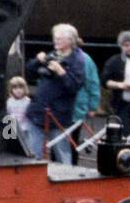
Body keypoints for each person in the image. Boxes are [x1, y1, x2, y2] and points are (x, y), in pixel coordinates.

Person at [25, 23, 86, 164]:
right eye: (55, 38)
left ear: (70, 41)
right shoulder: (52, 54)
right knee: (33, 152)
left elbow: (74, 86)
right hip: (39, 110)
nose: (55, 41)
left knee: (62, 152)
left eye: (59, 39)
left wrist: (61, 71)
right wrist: (37, 61)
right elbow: (29, 71)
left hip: (59, 114)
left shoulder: (78, 60)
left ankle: (67, 180)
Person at [103, 31, 130, 152]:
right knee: (125, 134)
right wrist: (119, 85)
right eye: (126, 45)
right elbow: (105, 81)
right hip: (123, 104)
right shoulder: (114, 61)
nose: (129, 48)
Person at [5, 76, 31, 154]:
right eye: (15, 88)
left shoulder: (28, 101)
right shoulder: (9, 101)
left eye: (20, 88)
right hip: (14, 129)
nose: (18, 90)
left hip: (25, 128)